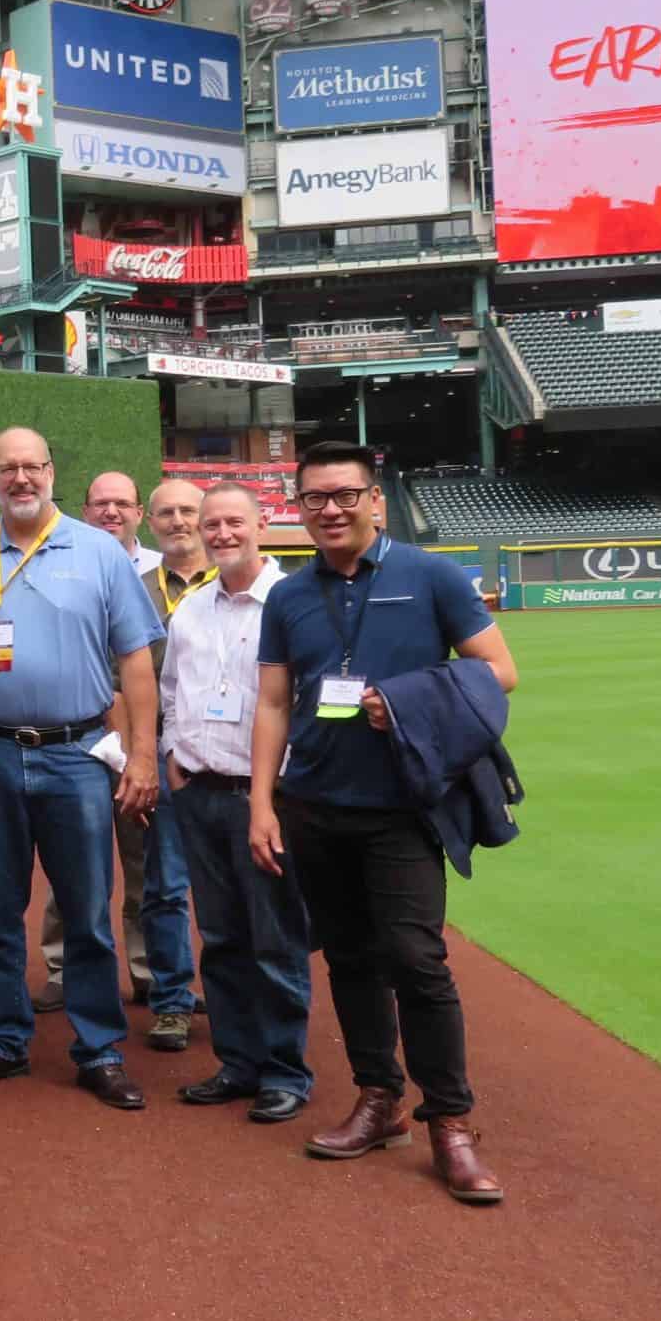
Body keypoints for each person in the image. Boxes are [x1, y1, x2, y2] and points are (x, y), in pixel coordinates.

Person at [250, 441, 518, 1204]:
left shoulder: (429, 575)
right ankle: (378, 1097)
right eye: (314, 500)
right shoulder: (289, 595)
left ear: (377, 501)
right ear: (298, 511)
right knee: (349, 958)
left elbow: (500, 670)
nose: (330, 510)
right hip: (313, 802)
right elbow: (273, 702)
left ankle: (452, 1122)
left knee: (416, 958)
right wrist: (261, 802)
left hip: (403, 804)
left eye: (345, 495)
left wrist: (406, 697)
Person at [0, 429, 162, 1111]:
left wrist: (143, 753)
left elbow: (138, 661)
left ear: (52, 472)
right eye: (8, 468)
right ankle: (3, 1041)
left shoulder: (99, 553)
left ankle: (98, 1049)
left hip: (75, 753)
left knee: (88, 909)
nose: (21, 478)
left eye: (33, 466)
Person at [163, 484, 311, 1123]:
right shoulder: (190, 611)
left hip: (265, 799)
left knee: (275, 938)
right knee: (221, 936)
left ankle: (285, 1071)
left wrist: (274, 794)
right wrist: (173, 752)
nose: (221, 533)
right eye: (211, 523)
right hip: (199, 791)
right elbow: (173, 690)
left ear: (262, 524)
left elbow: (302, 705)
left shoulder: (294, 602)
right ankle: (239, 1061)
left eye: (234, 522)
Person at [44, 466, 170, 1012]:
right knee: (68, 863)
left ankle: (146, 970)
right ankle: (58, 966)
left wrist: (142, 746)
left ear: (139, 512)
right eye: (100, 504)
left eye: (122, 503)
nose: (111, 513)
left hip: (142, 740)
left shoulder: (162, 576)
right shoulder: (64, 562)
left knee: (144, 862)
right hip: (81, 740)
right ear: (85, 510)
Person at [130, 477, 211, 1053]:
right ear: (149, 522)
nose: (178, 521)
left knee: (239, 884)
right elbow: (119, 680)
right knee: (164, 886)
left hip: (232, 756)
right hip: (165, 754)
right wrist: (140, 757)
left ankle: (240, 995)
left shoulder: (242, 582)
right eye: (167, 513)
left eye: (189, 511)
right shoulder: (135, 589)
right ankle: (173, 1000)